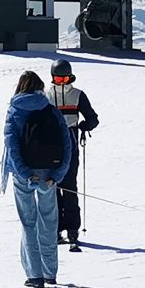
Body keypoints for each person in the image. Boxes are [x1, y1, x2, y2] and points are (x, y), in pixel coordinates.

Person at [4, 70, 73, 288]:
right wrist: (58, 175)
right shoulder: (51, 110)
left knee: (28, 223)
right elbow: (66, 144)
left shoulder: (15, 110)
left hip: (24, 175)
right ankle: (49, 274)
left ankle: (34, 276)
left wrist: (24, 172)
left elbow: (11, 146)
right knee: (49, 222)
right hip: (49, 174)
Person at [47, 59, 99, 252]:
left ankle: (73, 231)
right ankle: (56, 230)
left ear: (71, 77)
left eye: (65, 78)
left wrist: (85, 126)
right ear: (53, 78)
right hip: (51, 148)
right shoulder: (46, 95)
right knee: (52, 191)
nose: (62, 81)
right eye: (59, 78)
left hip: (70, 148)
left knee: (69, 189)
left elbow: (93, 118)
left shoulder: (78, 95)